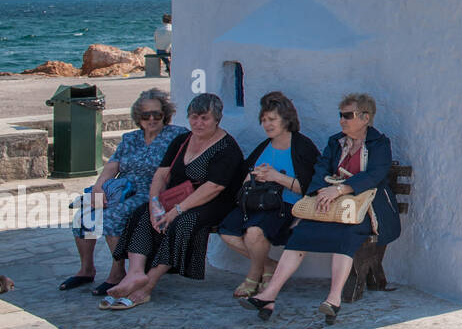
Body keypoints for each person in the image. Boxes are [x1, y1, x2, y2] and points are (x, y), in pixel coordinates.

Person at [244, 92, 400, 326]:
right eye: (341, 115)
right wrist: (319, 193)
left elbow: (374, 175)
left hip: (366, 208)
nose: (342, 120)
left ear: (365, 117)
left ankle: (333, 299)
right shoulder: (335, 141)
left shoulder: (379, 143)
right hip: (331, 203)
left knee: (347, 234)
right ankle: (269, 295)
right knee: (301, 233)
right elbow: (320, 169)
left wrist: (339, 190)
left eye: (348, 116)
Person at [101, 93, 243, 310]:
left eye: (204, 118)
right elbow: (161, 175)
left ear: (217, 119)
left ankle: (147, 286)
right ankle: (135, 274)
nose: (198, 123)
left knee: (180, 223)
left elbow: (213, 187)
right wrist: (154, 204)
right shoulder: (182, 140)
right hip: (177, 197)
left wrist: (176, 211)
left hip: (213, 203)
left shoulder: (226, 148)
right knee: (141, 215)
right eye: (194, 117)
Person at [61, 89, 186, 295]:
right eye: (146, 115)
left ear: (165, 114)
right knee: (83, 216)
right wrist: (98, 188)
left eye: (157, 114)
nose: (152, 119)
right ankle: (86, 270)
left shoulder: (176, 135)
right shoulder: (130, 139)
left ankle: (118, 272)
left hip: (152, 192)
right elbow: (112, 166)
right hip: (124, 190)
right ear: (138, 117)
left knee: (113, 215)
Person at [217, 91, 320, 298]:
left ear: (286, 119)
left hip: (286, 206)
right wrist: (253, 177)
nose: (267, 124)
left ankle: (254, 274)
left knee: (255, 232)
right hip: (259, 203)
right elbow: (246, 175)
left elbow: (311, 188)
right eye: (264, 120)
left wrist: (275, 177)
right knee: (227, 231)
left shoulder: (302, 146)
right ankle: (269, 265)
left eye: (272, 119)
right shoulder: (264, 146)